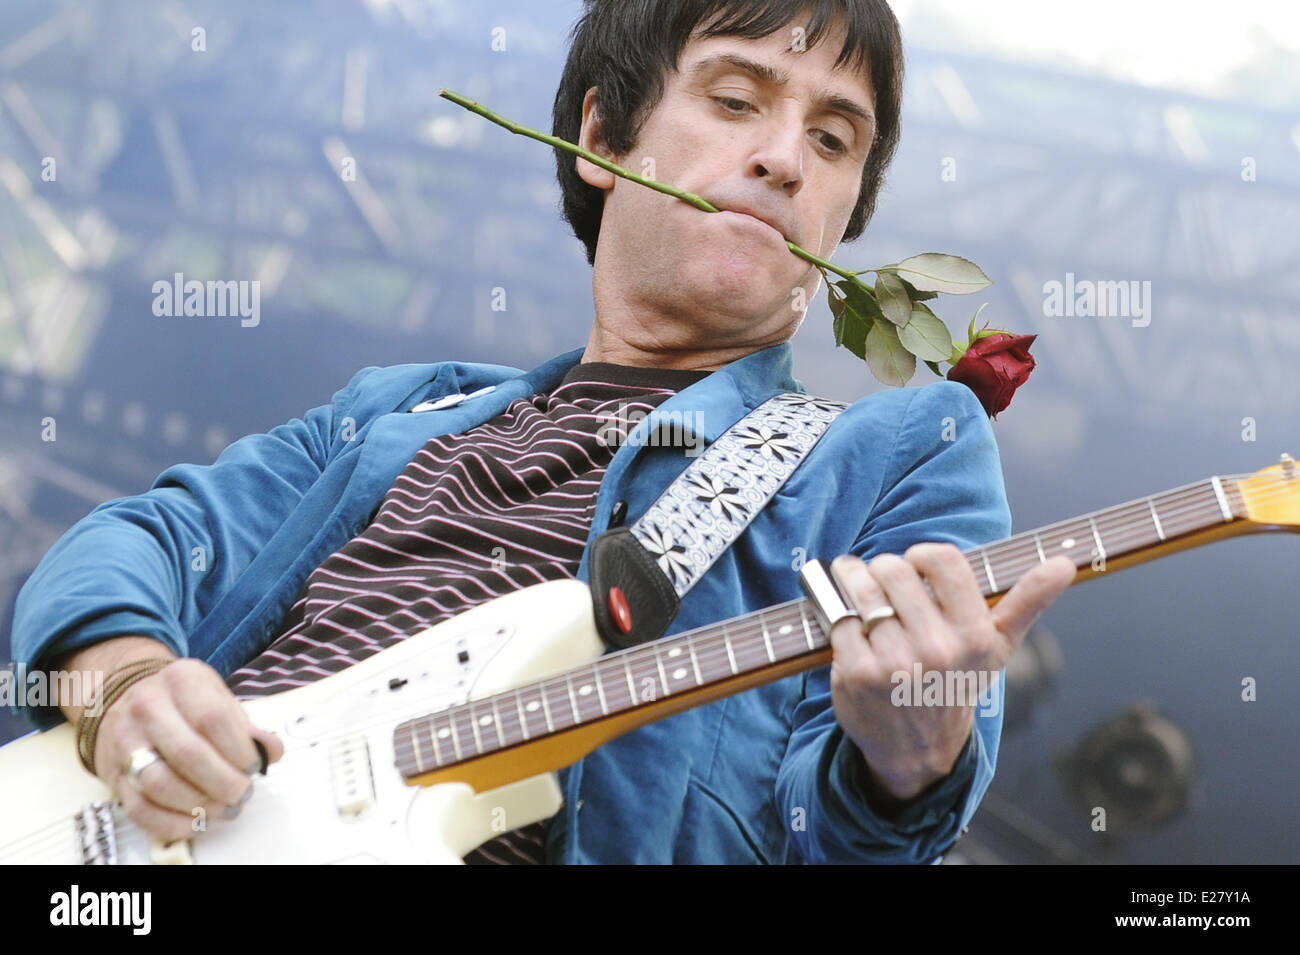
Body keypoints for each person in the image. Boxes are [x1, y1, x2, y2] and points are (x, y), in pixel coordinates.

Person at [9, 0, 1075, 864]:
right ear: (603, 139)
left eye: (832, 138)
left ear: (843, 219)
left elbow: (840, 838)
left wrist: (905, 758)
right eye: (738, 99)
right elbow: (143, 534)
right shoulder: (394, 407)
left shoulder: (893, 451)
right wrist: (126, 683)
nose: (785, 158)